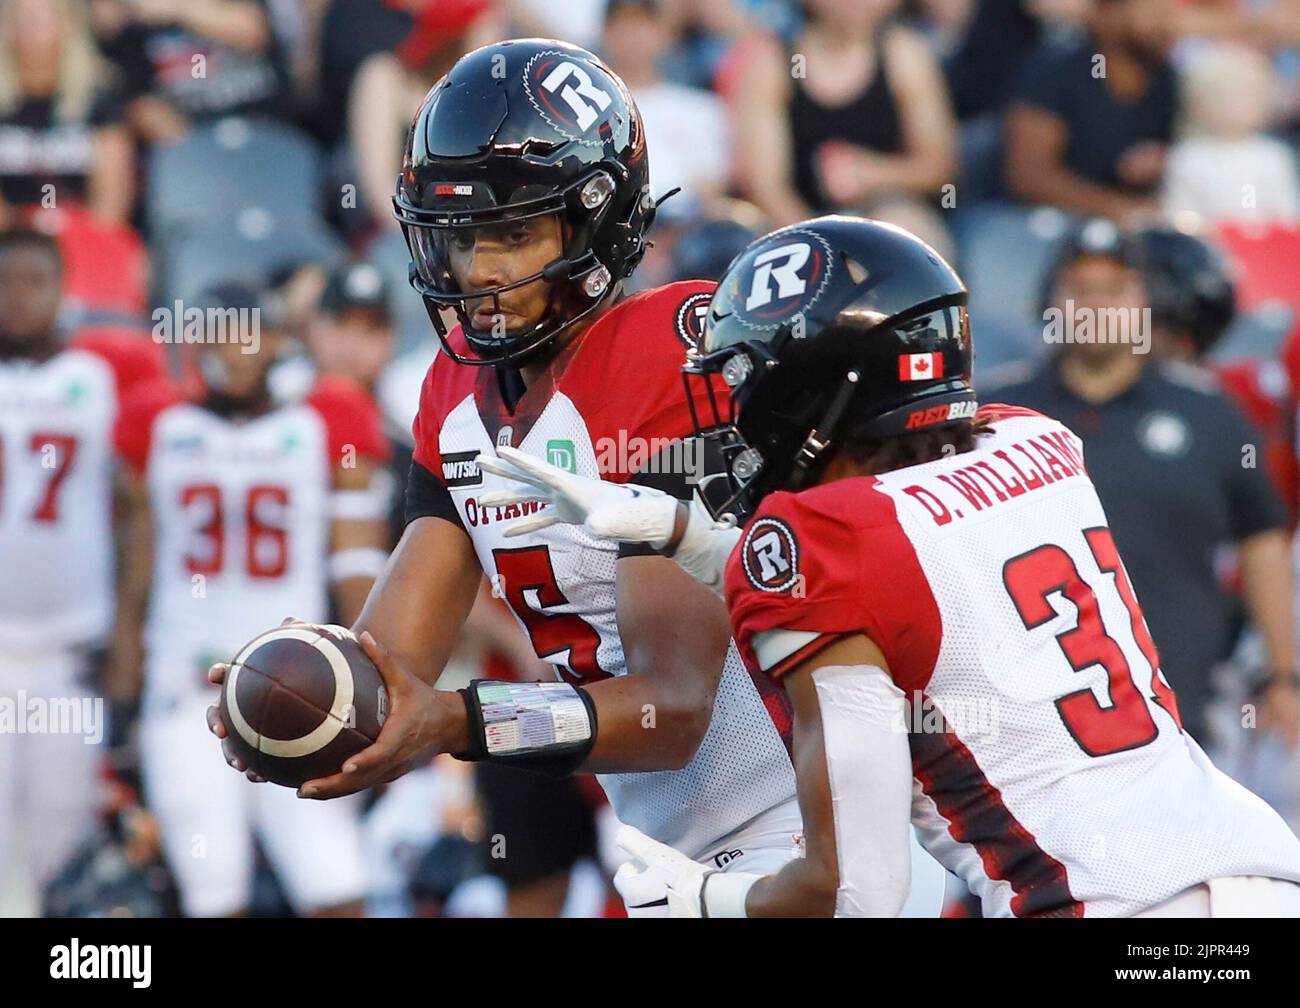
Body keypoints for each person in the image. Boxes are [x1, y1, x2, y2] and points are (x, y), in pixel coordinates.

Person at [206, 39, 948, 916]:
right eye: (457, 234)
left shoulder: (675, 353)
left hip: (814, 830)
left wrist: (452, 723)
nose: (478, 270)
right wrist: (309, 693)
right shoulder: (453, 391)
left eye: (513, 232)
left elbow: (671, 714)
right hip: (675, 848)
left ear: (599, 217)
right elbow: (392, 666)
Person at [477, 214, 1300, 917]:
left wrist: (707, 899)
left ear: (807, 392)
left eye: (746, 383)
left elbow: (857, 893)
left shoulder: (813, 543)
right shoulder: (1035, 438)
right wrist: (682, 532)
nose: (736, 413)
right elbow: (916, 559)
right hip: (1259, 870)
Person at [111, 281, 390, 917]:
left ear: (277, 342)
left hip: (301, 681)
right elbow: (137, 571)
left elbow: (357, 564)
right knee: (215, 893)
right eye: (214, 333)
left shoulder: (324, 417)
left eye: (247, 334)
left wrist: (376, 667)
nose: (232, 351)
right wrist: (121, 696)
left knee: (335, 883)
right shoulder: (157, 423)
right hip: (187, 686)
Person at [986, 220, 1298, 749]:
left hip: (1181, 720)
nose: (1097, 306)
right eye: (1080, 290)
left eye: (1116, 290)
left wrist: (1283, 674)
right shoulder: (999, 414)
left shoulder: (1211, 411)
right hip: (1027, 729)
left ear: (1146, 302)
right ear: (1051, 301)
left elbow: (1261, 543)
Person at [0, 228, 154, 908]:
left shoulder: (95, 379)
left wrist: (126, 627)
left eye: (33, 281)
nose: (18, 298)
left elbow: (136, 510)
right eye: (6, 282)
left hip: (71, 650)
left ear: (63, 290)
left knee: (58, 843)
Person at [1005, 0, 1178, 221]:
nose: (1164, 23)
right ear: (1106, 14)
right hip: (1036, 222)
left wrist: (1168, 161)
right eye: (1151, 10)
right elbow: (1029, 178)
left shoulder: (1166, 79)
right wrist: (1119, 209)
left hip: (1131, 227)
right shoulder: (1054, 70)